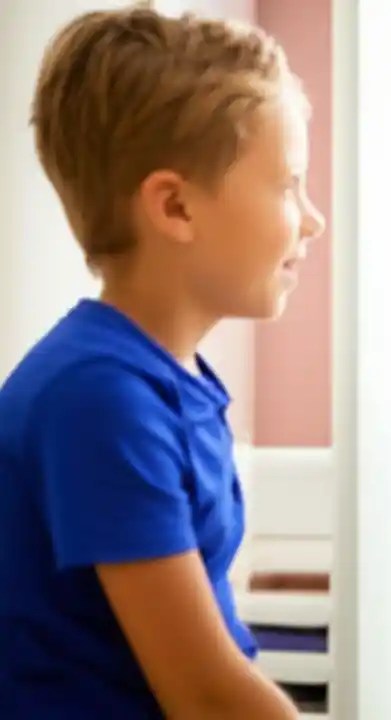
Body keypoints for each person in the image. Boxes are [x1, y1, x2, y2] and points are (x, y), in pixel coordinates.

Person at [0, 7, 324, 718]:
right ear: (175, 207)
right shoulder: (99, 399)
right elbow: (207, 696)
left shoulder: (161, 385)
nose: (312, 218)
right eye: (287, 185)